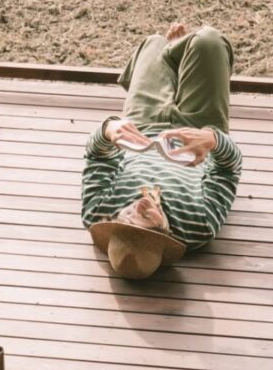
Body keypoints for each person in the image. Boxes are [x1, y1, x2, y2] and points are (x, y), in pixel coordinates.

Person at [81, 23, 243, 280]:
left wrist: (109, 130)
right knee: (208, 41)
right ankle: (178, 57)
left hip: (142, 124)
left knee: (153, 43)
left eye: (127, 215)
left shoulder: (98, 212)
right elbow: (228, 170)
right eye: (145, 217)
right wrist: (212, 139)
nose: (139, 206)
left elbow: (96, 156)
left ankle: (174, 59)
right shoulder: (199, 224)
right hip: (198, 127)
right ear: (163, 232)